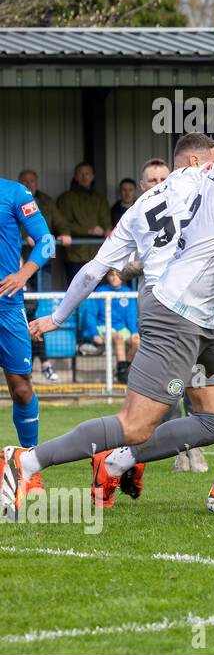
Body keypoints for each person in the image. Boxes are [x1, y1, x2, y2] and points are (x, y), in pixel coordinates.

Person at [5, 91, 214, 519]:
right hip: (175, 311)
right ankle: (24, 461)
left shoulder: (204, 172)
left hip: (206, 310)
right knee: (135, 424)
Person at [0, 174, 55, 494]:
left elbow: (45, 240)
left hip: (7, 308)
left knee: (21, 388)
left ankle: (30, 468)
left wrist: (24, 273)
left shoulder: (14, 192)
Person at [16, 169, 72, 299]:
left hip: (43, 258)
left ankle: (39, 319)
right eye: (25, 181)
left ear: (37, 183)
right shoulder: (14, 199)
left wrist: (65, 233)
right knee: (23, 295)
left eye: (32, 181)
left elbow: (60, 221)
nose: (29, 184)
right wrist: (25, 237)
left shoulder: (47, 201)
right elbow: (9, 225)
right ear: (19, 182)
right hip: (21, 257)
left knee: (44, 296)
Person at [79, 268, 139, 384]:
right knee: (118, 338)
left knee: (137, 343)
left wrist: (134, 332)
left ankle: (123, 368)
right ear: (107, 277)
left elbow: (131, 315)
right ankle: (122, 375)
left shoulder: (128, 292)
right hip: (104, 327)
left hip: (122, 329)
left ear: (122, 277)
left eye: (117, 275)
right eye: (112, 275)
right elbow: (91, 315)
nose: (114, 277)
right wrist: (95, 334)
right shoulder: (100, 292)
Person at [57, 161, 111, 279]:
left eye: (87, 174)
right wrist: (89, 231)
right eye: (81, 174)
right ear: (75, 177)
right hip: (75, 255)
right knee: (77, 294)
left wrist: (107, 230)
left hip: (98, 254)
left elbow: (106, 221)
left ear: (92, 177)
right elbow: (64, 225)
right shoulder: (66, 198)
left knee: (97, 295)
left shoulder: (100, 199)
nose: (84, 177)